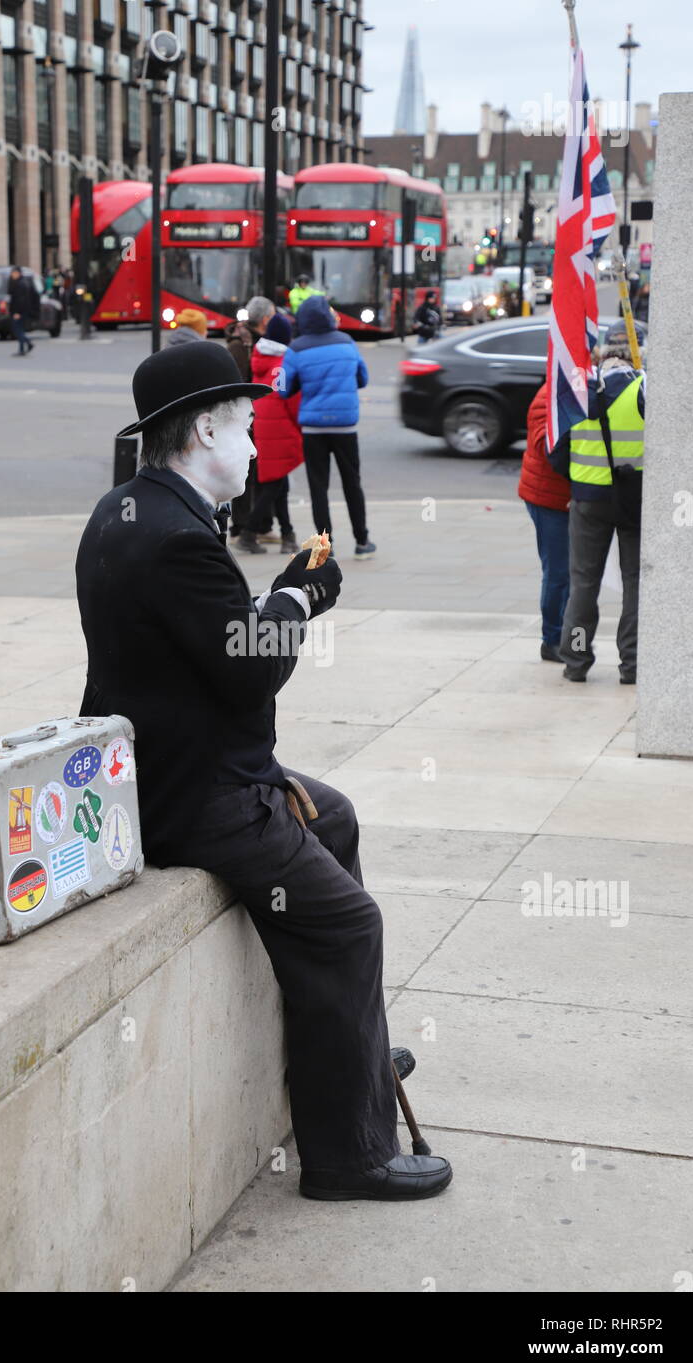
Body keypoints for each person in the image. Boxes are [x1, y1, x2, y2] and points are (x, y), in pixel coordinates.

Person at [75, 343, 452, 1202]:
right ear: (204, 427)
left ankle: (349, 1047)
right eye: (246, 428)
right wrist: (295, 599)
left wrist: (271, 602)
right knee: (350, 925)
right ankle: (349, 1155)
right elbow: (246, 667)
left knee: (339, 815)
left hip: (188, 768)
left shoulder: (131, 509)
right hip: (199, 797)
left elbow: (198, 647)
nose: (255, 445)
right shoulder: (175, 538)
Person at [547, 325, 644, 684]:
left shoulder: (577, 393)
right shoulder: (644, 390)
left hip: (588, 500)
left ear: (602, 357)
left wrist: (578, 480)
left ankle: (575, 660)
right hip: (635, 499)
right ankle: (632, 664)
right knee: (636, 583)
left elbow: (554, 452)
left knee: (584, 583)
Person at [279, 293, 376, 559]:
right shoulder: (347, 342)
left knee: (318, 487)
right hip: (346, 427)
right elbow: (362, 378)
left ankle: (325, 546)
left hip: (313, 429)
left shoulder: (296, 348)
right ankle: (362, 541)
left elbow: (283, 389)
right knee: (352, 483)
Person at [235, 311, 302, 557]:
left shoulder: (262, 357)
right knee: (274, 484)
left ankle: (288, 534)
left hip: (263, 423)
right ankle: (249, 533)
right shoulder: (282, 364)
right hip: (280, 427)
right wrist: (299, 423)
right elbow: (288, 397)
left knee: (278, 481)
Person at [518, 379, 570, 661]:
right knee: (560, 573)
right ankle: (551, 640)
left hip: (573, 497)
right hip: (548, 498)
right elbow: (547, 447)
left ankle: (572, 639)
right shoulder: (548, 395)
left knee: (575, 575)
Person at [225, 295, 275, 535]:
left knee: (261, 471)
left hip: (262, 414)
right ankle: (243, 524)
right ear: (265, 319)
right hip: (246, 416)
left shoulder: (262, 341)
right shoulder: (240, 345)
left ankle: (261, 521)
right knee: (246, 469)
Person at [7, 267, 34, 356]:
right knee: (20, 330)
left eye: (13, 273)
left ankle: (28, 343)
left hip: (19, 311)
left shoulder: (20, 284)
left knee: (17, 330)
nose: (12, 275)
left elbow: (20, 300)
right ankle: (22, 349)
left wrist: (17, 312)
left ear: (18, 273)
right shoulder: (21, 282)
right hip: (21, 310)